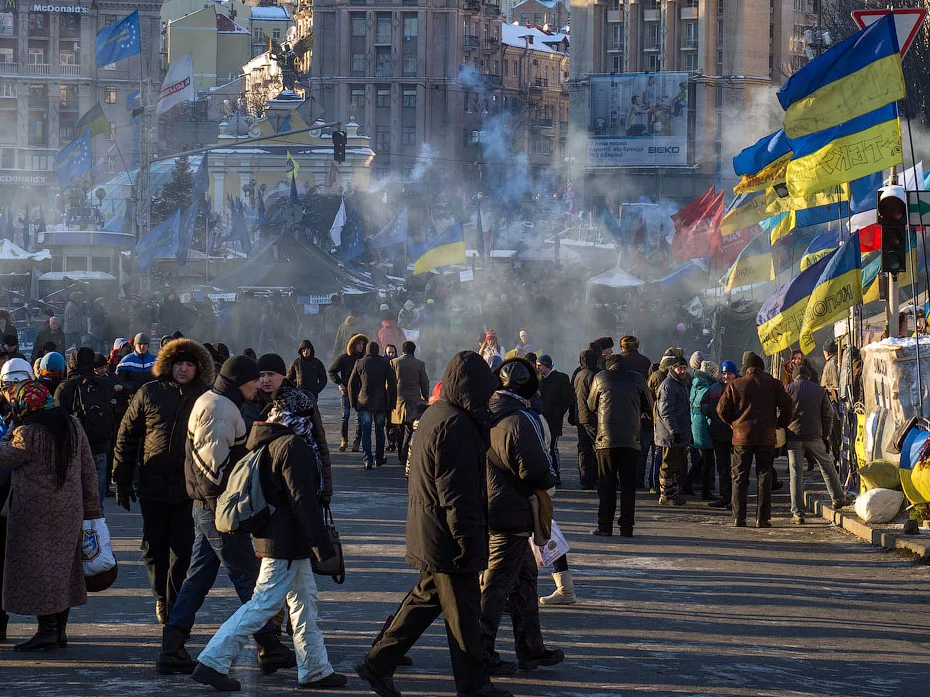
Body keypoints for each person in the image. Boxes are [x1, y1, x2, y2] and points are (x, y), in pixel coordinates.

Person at [355, 351, 511, 697]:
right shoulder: (457, 425)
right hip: (449, 536)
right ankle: (475, 687)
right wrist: (469, 542)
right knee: (464, 618)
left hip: (430, 529)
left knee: (425, 600)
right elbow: (457, 494)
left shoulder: (437, 414)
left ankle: (378, 663)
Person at [192, 386, 346, 692]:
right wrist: (321, 546)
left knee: (304, 603)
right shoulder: (293, 446)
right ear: (300, 415)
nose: (313, 422)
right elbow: (303, 502)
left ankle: (315, 669)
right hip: (286, 542)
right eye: (309, 415)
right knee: (263, 605)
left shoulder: (270, 440)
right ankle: (212, 661)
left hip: (280, 539)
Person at [157, 355, 294, 677]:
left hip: (207, 507)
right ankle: (269, 647)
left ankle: (172, 648)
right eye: (252, 380)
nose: (257, 385)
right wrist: (230, 503)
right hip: (215, 509)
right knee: (247, 578)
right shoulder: (219, 408)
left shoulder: (215, 401)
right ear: (238, 382)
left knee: (199, 579)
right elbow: (210, 468)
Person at [111, 339, 213, 625]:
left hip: (188, 488)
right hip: (152, 484)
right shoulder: (149, 392)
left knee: (182, 551)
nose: (183, 369)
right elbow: (127, 436)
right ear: (168, 364)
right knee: (153, 548)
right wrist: (120, 479)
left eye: (190, 364)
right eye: (179, 363)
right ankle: (160, 596)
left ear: (198, 368)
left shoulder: (205, 397)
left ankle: (174, 606)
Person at [0, 374, 101, 652]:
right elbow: (88, 470)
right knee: (64, 571)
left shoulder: (27, 433)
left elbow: (5, 456)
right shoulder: (72, 425)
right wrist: (93, 508)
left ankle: (47, 632)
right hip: (70, 511)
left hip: (35, 515)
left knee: (42, 572)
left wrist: (11, 427)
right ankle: (60, 633)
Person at [481, 358, 563, 675]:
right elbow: (539, 471)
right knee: (496, 587)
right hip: (510, 514)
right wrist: (548, 482)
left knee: (525, 579)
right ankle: (481, 654)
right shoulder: (521, 419)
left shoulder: (484, 412)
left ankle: (531, 649)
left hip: (491, 508)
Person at [717, 352, 794, 528]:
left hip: (741, 438)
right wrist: (780, 424)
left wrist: (733, 423)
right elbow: (788, 406)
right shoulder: (773, 384)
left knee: (739, 477)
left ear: (746, 368)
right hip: (766, 437)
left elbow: (721, 409)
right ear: (761, 366)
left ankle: (739, 517)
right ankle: (763, 518)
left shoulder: (735, 384)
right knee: (764, 476)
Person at [587, 354, 653, 536]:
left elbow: (591, 404)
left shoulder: (600, 378)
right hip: (631, 439)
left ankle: (605, 526)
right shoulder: (638, 379)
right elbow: (649, 405)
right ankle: (626, 527)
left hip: (605, 440)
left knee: (606, 484)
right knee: (628, 487)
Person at [785, 364, 855, 524]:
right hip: (814, 435)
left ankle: (797, 513)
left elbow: (781, 411)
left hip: (794, 437)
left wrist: (785, 428)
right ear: (808, 376)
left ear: (795, 376)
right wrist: (825, 434)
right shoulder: (819, 390)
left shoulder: (788, 389)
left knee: (796, 474)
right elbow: (828, 414)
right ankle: (838, 498)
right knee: (827, 466)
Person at [55, 347, 115, 507]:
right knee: (96, 502)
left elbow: (57, 419)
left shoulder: (65, 387)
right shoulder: (103, 383)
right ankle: (97, 527)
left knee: (74, 503)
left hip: (74, 449)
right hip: (100, 447)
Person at [349, 341, 397, 470]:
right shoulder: (385, 363)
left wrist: (354, 402)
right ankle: (379, 458)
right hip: (381, 402)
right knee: (380, 431)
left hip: (364, 402)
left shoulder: (359, 363)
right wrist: (392, 403)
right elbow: (392, 384)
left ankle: (367, 459)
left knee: (366, 431)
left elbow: (351, 384)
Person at [654, 356, 691, 506]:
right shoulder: (669, 385)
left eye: (684, 368)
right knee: (668, 465)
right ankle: (666, 494)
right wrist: (673, 430)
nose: (682, 371)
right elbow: (665, 411)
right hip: (670, 434)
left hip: (679, 431)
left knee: (676, 465)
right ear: (673, 368)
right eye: (679, 368)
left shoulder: (681, 383)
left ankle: (673, 492)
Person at [702, 360, 736, 509]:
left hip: (735, 434)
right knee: (722, 467)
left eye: (729, 373)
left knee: (736, 468)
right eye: (724, 373)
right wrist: (713, 413)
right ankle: (725, 496)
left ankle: (735, 498)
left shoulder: (739, 388)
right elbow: (703, 405)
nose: (726, 376)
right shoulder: (713, 388)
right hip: (718, 433)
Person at [619, 336, 653, 488]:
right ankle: (638, 479)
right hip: (640, 408)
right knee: (641, 447)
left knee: (623, 447)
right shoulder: (645, 361)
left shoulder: (618, 360)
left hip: (622, 408)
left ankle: (624, 478)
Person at [391, 340, 430, 468]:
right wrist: (425, 397)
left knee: (399, 428)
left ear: (402, 350)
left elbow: (390, 383)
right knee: (409, 428)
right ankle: (404, 453)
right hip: (414, 401)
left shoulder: (394, 362)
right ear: (414, 350)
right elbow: (424, 382)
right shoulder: (419, 364)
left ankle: (399, 452)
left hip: (398, 400)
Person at [329, 333, 368, 452]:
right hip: (346, 391)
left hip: (360, 392)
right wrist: (339, 383)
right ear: (353, 344)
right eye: (359, 344)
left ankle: (357, 441)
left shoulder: (364, 359)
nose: (361, 346)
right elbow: (332, 371)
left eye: (363, 344)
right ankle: (344, 440)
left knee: (359, 418)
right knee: (344, 416)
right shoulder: (344, 358)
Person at [536, 354, 572, 485]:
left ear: (547, 365)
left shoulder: (561, 378)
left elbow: (567, 398)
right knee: (541, 447)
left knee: (553, 447)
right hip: (540, 419)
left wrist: (558, 413)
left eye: (540, 366)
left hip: (554, 420)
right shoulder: (539, 380)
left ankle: (556, 473)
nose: (538, 368)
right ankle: (545, 473)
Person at [685, 361, 718, 500]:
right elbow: (707, 410)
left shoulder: (695, 385)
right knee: (708, 460)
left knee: (702, 458)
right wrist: (713, 427)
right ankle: (705, 491)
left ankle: (686, 484)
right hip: (703, 424)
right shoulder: (707, 389)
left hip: (695, 423)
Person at [571, 349, 600, 490]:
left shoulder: (579, 374)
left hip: (580, 416)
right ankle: (597, 478)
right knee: (597, 448)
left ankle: (585, 479)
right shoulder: (595, 375)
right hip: (593, 416)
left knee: (583, 449)